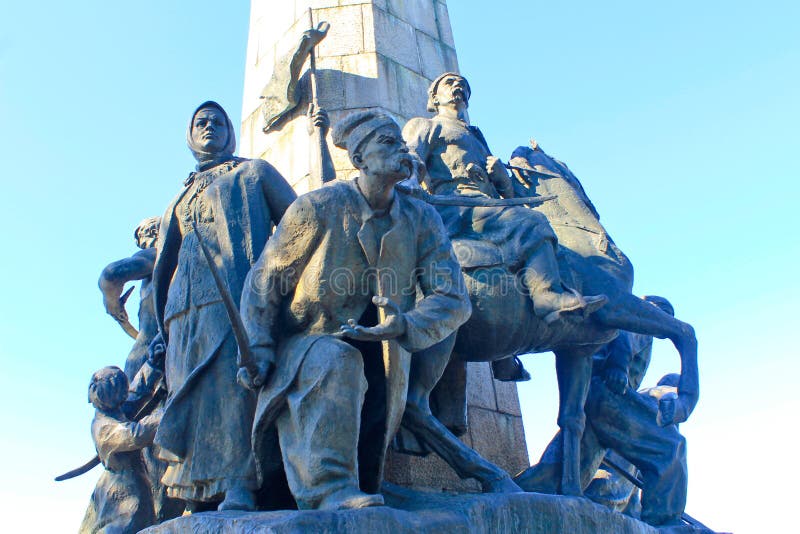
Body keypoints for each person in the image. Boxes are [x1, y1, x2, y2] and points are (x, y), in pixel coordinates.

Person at [239, 111, 472, 510]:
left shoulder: (421, 218)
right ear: (360, 159)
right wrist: (259, 346)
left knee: (373, 382)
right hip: (307, 342)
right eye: (389, 142)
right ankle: (330, 489)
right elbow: (266, 279)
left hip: (385, 352)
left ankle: (358, 481)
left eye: (402, 142)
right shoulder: (318, 207)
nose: (403, 149)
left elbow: (454, 297)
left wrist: (407, 324)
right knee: (339, 359)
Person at [151, 101, 297, 511]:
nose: (209, 126)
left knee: (231, 390)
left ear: (230, 131)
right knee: (187, 393)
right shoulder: (181, 194)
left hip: (232, 295)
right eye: (201, 121)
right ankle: (196, 491)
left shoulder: (253, 172)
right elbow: (165, 261)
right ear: (189, 134)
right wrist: (157, 327)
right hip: (181, 308)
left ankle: (239, 484)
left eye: (218, 121)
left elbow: (300, 221)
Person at [402, 73, 606, 330]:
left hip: (487, 206)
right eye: (450, 83)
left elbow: (506, 196)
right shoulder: (426, 125)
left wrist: (501, 178)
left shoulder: (476, 136)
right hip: (455, 206)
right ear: (434, 97)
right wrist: (410, 181)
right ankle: (547, 297)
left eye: (463, 86)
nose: (458, 87)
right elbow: (410, 156)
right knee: (533, 221)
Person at [516, 296, 689, 527]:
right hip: (610, 394)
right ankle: (665, 522)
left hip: (587, 393)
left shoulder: (621, 315)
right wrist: (619, 365)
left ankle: (510, 492)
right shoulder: (643, 318)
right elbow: (625, 335)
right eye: (666, 318)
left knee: (559, 471)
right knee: (669, 446)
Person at [78, 358, 164, 534]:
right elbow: (137, 434)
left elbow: (136, 394)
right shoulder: (104, 429)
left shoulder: (112, 411)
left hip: (129, 485)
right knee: (128, 526)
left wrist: (153, 364)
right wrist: (166, 413)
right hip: (125, 493)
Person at [98, 216, 160, 381]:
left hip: (150, 358)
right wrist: (124, 322)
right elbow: (145, 335)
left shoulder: (158, 252)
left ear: (153, 232)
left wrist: (111, 302)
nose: (142, 245)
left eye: (142, 238)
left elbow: (111, 275)